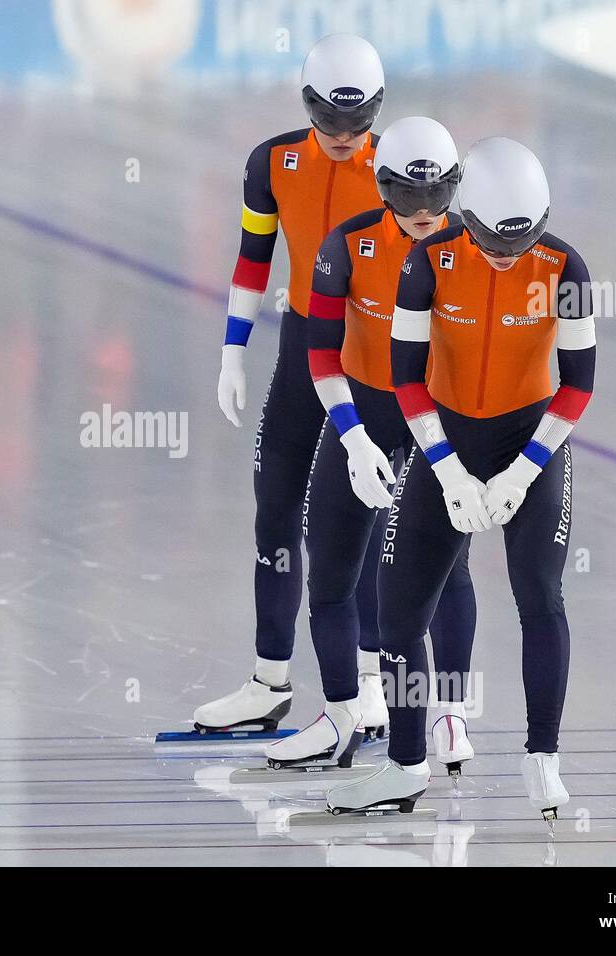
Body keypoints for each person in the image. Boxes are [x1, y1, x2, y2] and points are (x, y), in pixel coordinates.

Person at [327, 138, 596, 819]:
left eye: (522, 240)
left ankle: (543, 758)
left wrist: (521, 472)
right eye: (488, 239)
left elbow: (578, 387)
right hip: (448, 441)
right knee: (398, 611)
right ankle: (406, 764)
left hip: (531, 443)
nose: (506, 255)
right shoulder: (428, 263)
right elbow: (406, 380)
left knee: (539, 594)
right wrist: (447, 471)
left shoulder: (566, 267)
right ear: (462, 217)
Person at [262, 117, 477, 772]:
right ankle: (343, 711)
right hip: (368, 418)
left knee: (444, 573)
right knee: (328, 564)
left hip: (436, 422)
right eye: (407, 198)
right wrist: (353, 438)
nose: (422, 212)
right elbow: (319, 355)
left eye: (436, 197)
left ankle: (449, 715)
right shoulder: (345, 246)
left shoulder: (478, 249)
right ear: (381, 188)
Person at [194, 35, 387, 735]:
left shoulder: (399, 171)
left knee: (358, 517)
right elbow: (253, 258)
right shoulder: (270, 164)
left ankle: (370, 680)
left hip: (373, 360)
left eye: (357, 123)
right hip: (305, 347)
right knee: (274, 506)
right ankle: (268, 679)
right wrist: (231, 352)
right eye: (329, 122)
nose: (342, 138)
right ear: (306, 107)